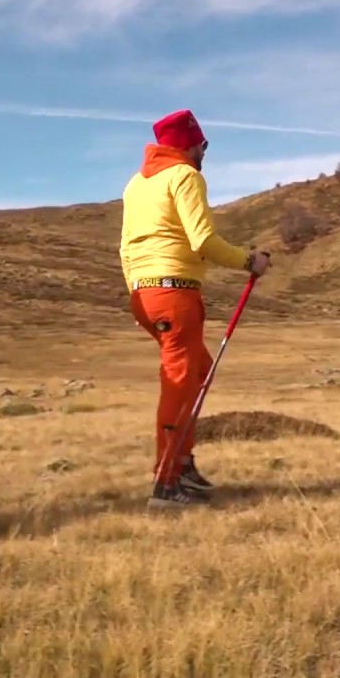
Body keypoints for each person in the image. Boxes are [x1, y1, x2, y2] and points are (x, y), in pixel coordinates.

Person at [119, 108, 271, 509]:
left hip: (145, 292)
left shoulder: (136, 184)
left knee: (197, 370)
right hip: (175, 291)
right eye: (204, 145)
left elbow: (125, 247)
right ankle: (166, 484)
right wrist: (248, 261)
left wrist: (137, 294)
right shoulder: (186, 175)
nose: (205, 153)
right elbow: (202, 240)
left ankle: (182, 465)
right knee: (180, 380)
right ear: (191, 144)